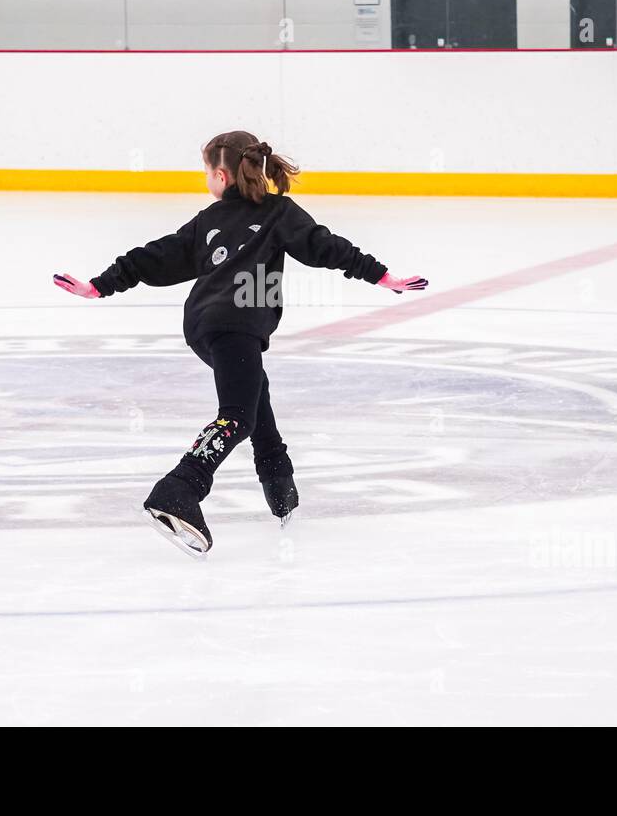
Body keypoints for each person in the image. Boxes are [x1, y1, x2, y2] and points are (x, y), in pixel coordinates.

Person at [54, 130, 427, 557]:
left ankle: (278, 482)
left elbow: (155, 255)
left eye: (206, 173)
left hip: (204, 324)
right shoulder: (277, 213)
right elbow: (327, 246)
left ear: (221, 175)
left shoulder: (210, 219)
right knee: (237, 416)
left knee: (253, 397)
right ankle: (179, 488)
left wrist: (100, 286)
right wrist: (382, 276)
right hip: (237, 324)